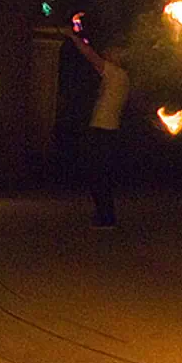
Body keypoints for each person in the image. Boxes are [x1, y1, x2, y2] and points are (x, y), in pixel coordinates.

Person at [62, 25, 129, 227]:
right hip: (106, 129)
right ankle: (104, 214)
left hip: (103, 130)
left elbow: (91, 56)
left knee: (98, 174)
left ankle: (106, 216)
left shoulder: (116, 73)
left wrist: (73, 37)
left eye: (112, 51)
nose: (107, 53)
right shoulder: (120, 76)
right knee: (99, 174)